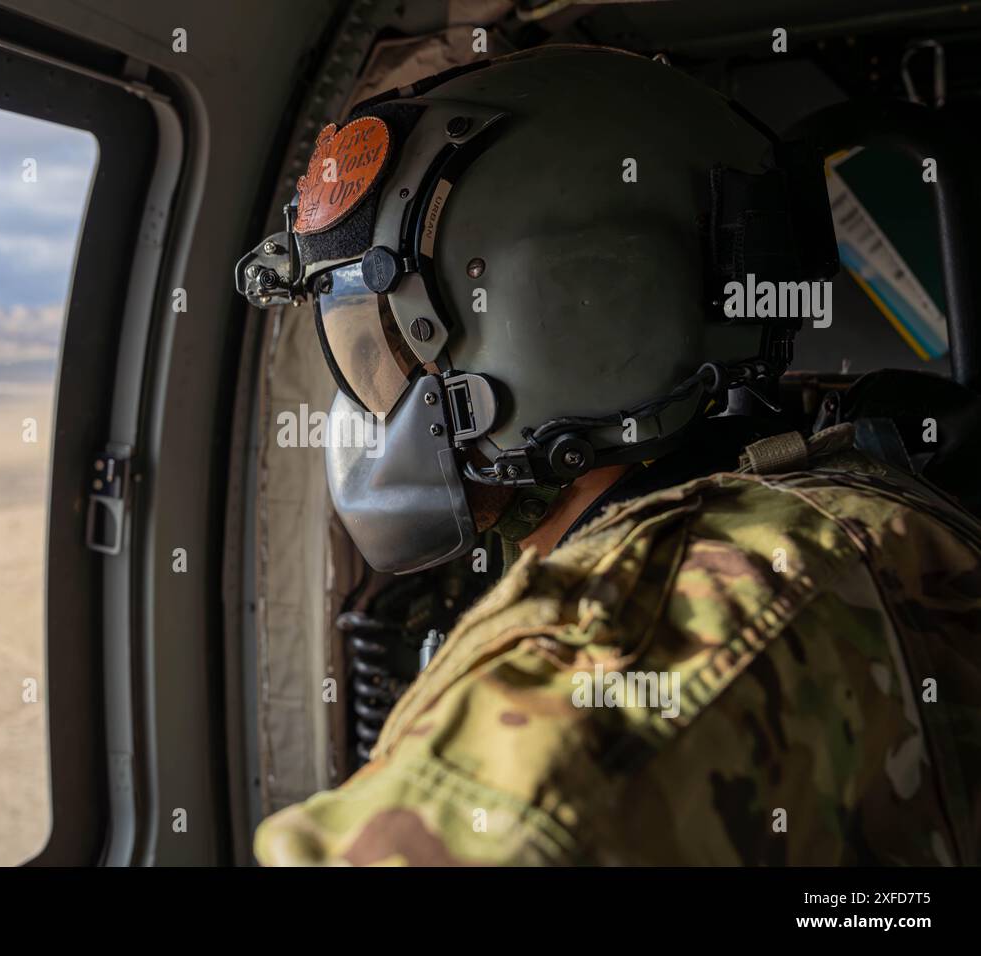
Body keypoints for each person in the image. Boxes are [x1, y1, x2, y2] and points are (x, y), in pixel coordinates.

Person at [235, 45, 981, 865]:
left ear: (568, 311)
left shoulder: (611, 665)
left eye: (377, 343)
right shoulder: (864, 502)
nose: (366, 399)